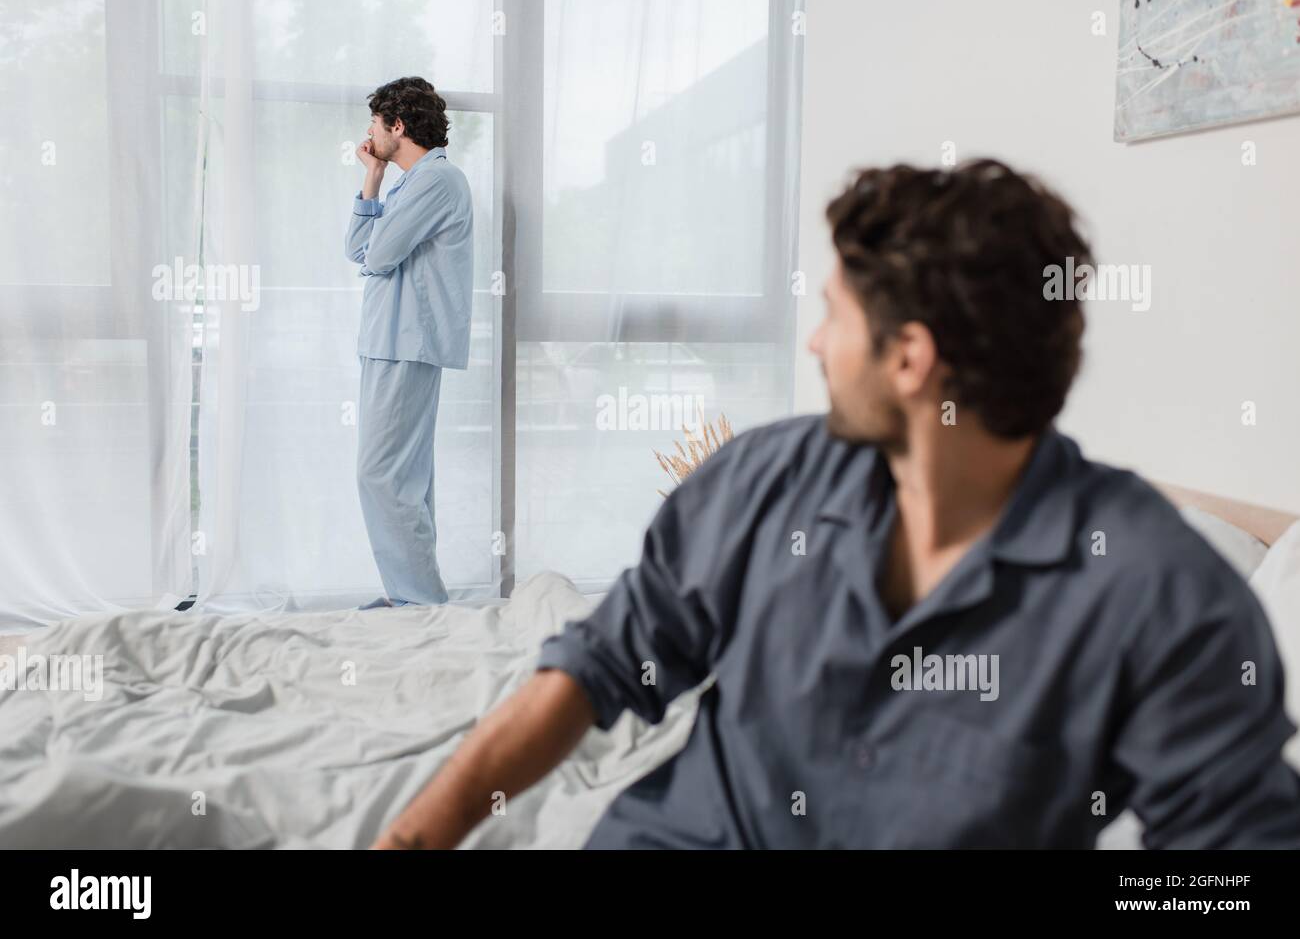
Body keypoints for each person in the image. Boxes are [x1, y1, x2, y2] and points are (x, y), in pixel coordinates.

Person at [374, 159, 1300, 847]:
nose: (815, 344)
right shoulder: (761, 481)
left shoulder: (1161, 596)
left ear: (910, 359)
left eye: (834, 315)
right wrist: (414, 840)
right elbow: (593, 667)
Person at [345, 76, 473, 608]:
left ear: (397, 126)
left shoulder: (437, 181)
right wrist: (373, 176)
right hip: (390, 341)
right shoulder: (407, 183)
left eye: (375, 124)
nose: (370, 134)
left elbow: (377, 256)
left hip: (407, 341)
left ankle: (419, 602)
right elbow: (357, 249)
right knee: (403, 478)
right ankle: (412, 597)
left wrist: (377, 241)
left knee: (382, 475)